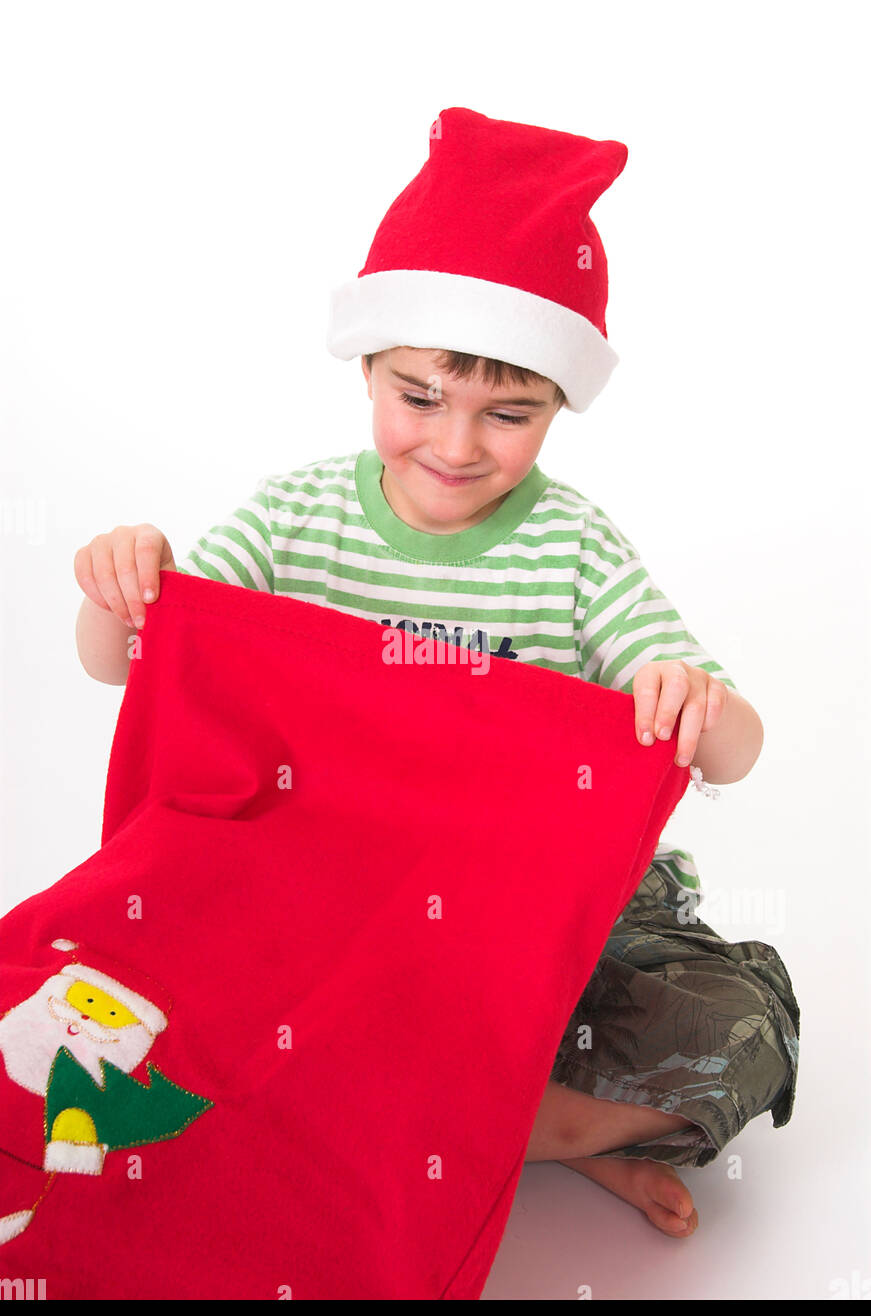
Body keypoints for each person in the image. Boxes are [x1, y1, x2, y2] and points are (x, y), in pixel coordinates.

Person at [73, 106, 799, 1242]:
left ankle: (502, 1129)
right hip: (347, 907)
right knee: (163, 983)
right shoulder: (294, 520)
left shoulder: (572, 550)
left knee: (743, 1026)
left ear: (558, 404)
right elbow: (130, 660)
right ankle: (539, 1129)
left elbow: (738, 748)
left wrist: (691, 700)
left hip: (544, 915)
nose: (457, 447)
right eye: (418, 397)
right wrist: (116, 587)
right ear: (366, 367)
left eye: (509, 414)